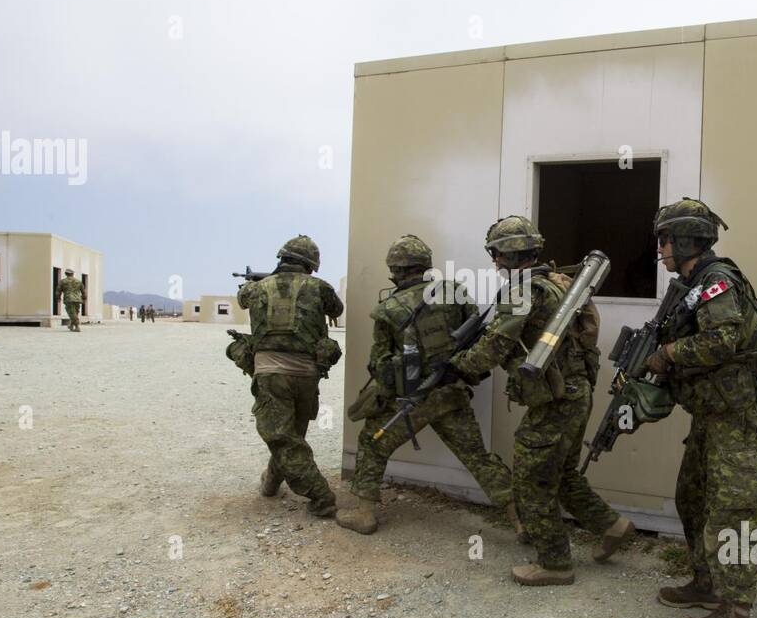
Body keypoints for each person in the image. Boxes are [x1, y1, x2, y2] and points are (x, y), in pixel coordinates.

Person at [450, 216, 634, 586]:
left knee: (531, 478)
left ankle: (554, 562)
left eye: (497, 254)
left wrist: (459, 365)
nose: (495, 263)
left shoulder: (523, 292)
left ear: (509, 254)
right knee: (562, 473)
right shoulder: (558, 283)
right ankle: (611, 525)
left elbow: (497, 344)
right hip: (575, 393)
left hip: (556, 399)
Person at [647, 199, 757, 618]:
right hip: (711, 415)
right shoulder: (691, 283)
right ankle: (706, 583)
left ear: (685, 240)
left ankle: (735, 614)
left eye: (665, 240)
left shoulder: (716, 281)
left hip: (738, 418)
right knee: (693, 498)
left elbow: (721, 341)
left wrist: (667, 355)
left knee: (734, 516)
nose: (660, 249)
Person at [337, 235, 518, 537]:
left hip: (413, 400)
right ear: (426, 265)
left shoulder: (388, 309)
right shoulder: (453, 292)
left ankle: (364, 513)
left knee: (372, 442)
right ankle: (520, 520)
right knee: (477, 458)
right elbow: (475, 335)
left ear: (395, 269)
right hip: (450, 393)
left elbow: (379, 365)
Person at [237, 235, 344, 516]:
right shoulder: (320, 288)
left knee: (282, 436)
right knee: (290, 435)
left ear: (281, 258)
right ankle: (271, 482)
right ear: (311, 264)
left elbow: (241, 298)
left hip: (271, 373)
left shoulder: (256, 289)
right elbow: (337, 309)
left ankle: (321, 496)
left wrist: (257, 282)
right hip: (308, 375)